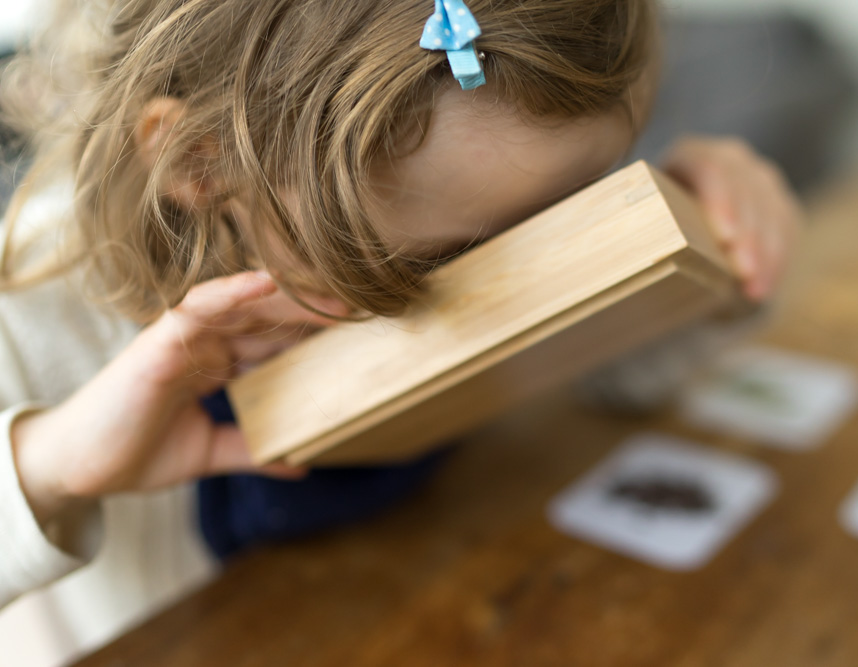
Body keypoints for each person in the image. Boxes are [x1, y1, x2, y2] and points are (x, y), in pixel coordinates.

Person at [0, 0, 801, 658]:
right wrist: (50, 463)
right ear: (202, 165)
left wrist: (707, 260)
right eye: (448, 258)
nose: (513, 271)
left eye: (565, 217)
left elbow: (614, 384)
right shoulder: (34, 305)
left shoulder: (489, 180)